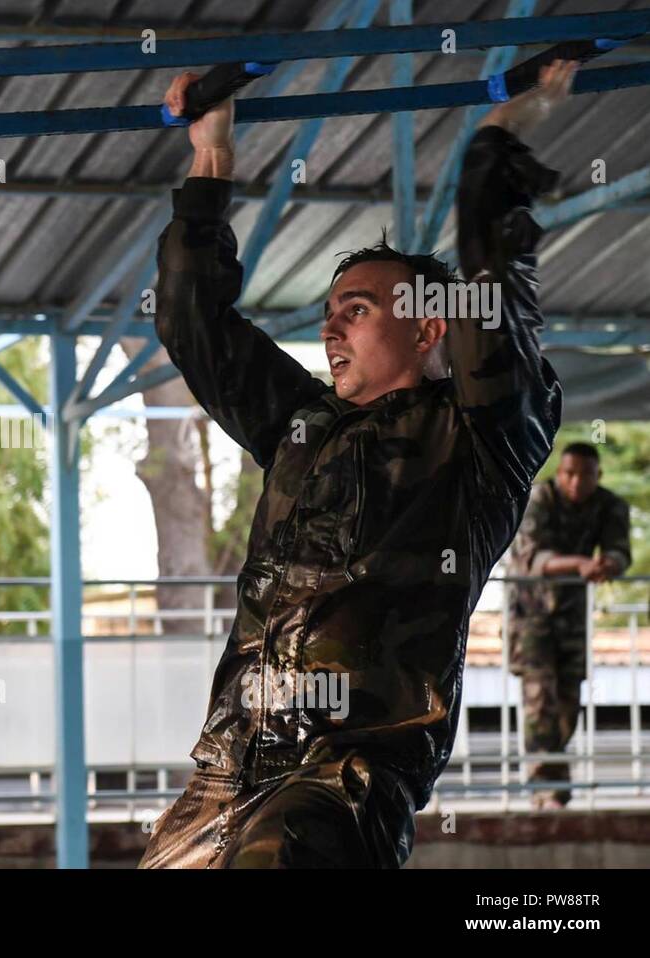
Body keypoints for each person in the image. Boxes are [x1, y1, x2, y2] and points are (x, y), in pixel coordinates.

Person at [139, 61, 576, 868]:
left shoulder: (483, 439)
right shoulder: (304, 426)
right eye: (329, 315)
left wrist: (501, 136)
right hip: (229, 771)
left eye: (358, 311)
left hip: (346, 777)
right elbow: (191, 318)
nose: (331, 332)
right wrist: (212, 157)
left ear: (432, 329)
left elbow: (492, 284)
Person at [508, 442, 631, 809]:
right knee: (539, 700)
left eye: (586, 474)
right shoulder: (540, 499)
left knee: (567, 703)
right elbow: (532, 558)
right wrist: (581, 564)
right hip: (531, 616)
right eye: (569, 473)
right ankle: (544, 791)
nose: (576, 482)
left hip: (572, 617)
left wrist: (608, 563)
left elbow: (621, 551)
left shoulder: (609, 505)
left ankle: (555, 787)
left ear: (599, 476)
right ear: (559, 474)